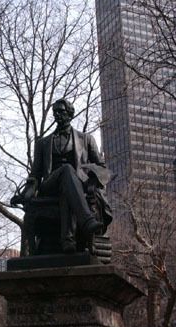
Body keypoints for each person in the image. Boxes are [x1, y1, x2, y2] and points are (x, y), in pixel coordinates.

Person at [11, 99, 111, 253]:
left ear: (70, 114)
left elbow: (101, 167)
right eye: (55, 112)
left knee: (68, 189)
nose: (57, 115)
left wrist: (92, 179)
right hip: (50, 185)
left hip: (75, 186)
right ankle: (87, 221)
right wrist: (27, 193)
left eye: (61, 112)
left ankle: (68, 242)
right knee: (66, 170)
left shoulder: (86, 139)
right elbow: (35, 174)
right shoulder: (42, 143)